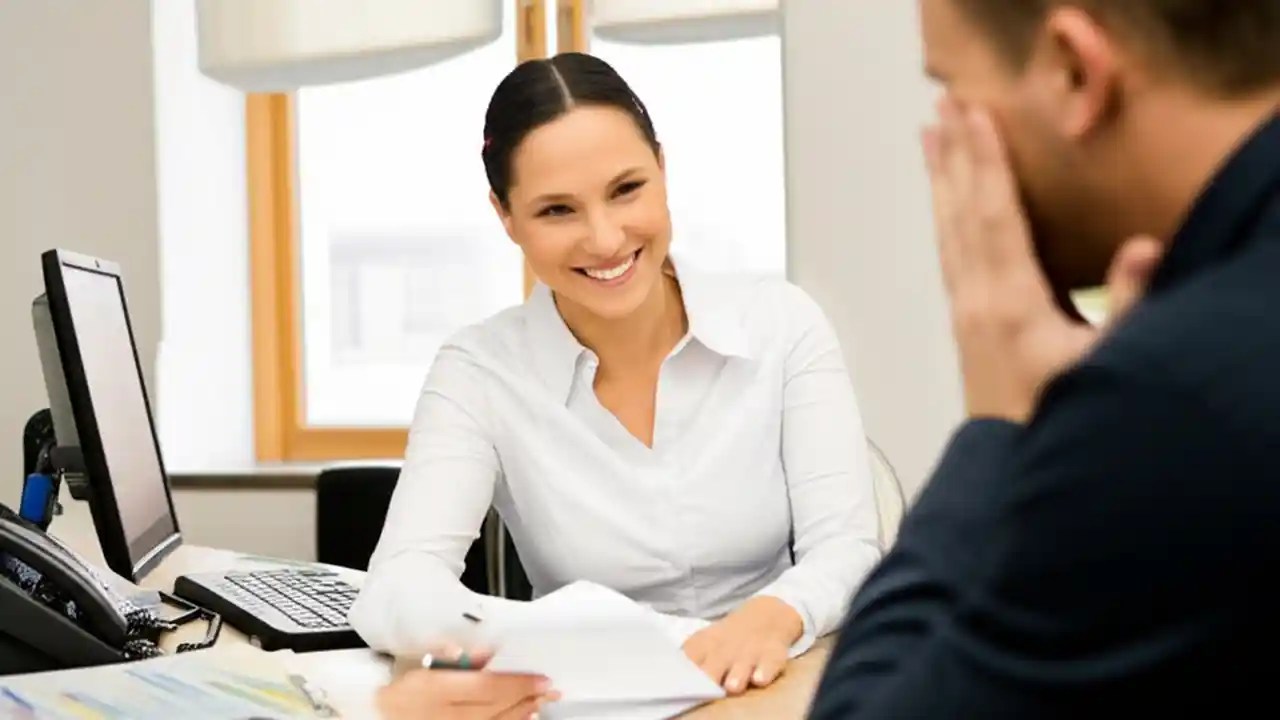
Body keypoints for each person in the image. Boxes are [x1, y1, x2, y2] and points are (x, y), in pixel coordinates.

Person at [348, 51, 882, 699]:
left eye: (627, 189)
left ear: (662, 167)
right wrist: (550, 641)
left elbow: (849, 547)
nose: (604, 239)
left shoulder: (781, 323)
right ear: (505, 216)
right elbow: (395, 591)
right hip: (585, 696)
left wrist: (774, 615)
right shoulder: (479, 372)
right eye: (556, 211)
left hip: (776, 678)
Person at [808, 0, 1280, 717]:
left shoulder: (1170, 408)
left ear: (1072, 71)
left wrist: (1000, 423)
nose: (943, 134)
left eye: (951, 88)